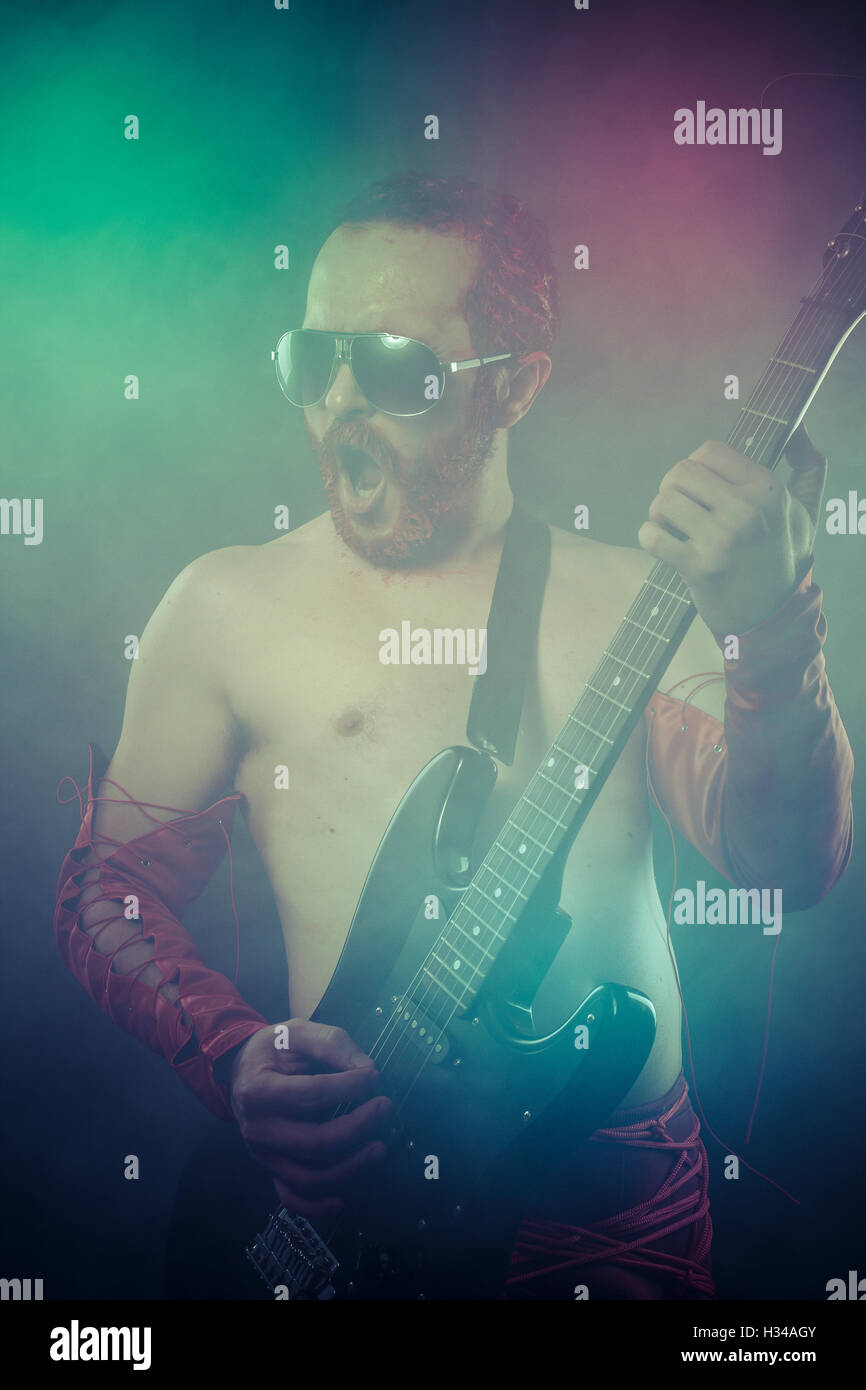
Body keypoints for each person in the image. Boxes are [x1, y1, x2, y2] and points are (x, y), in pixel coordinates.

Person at [54, 171, 853, 1300]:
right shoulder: (221, 606)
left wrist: (774, 629)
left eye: (390, 367)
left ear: (514, 388)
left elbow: (787, 861)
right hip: (346, 1215)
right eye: (312, 358)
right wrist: (234, 1057)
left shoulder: (641, 599)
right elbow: (107, 886)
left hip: (613, 1233)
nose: (339, 402)